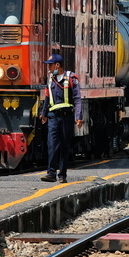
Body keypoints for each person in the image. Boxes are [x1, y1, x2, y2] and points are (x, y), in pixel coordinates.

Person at [38, 54, 82, 184]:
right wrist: (44, 113)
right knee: (52, 144)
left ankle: (62, 175)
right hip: (53, 117)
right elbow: (47, 97)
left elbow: (77, 98)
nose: (49, 68)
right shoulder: (50, 79)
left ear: (57, 65)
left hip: (67, 117)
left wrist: (78, 117)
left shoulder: (72, 78)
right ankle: (51, 173)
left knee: (64, 145)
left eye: (50, 65)